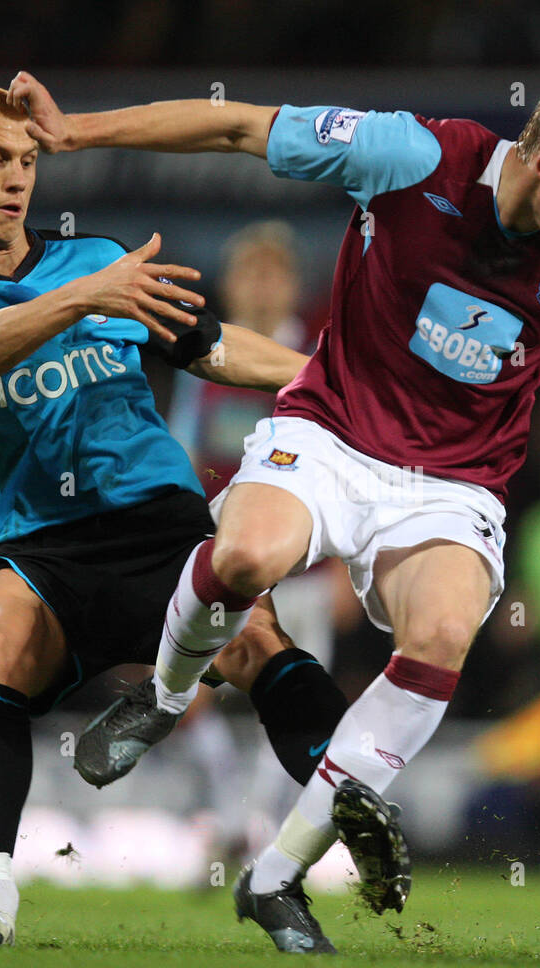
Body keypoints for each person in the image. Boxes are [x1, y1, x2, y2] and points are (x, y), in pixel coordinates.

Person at [9, 69, 540, 953]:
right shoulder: (411, 155)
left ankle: (275, 876)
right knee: (245, 558)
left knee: (440, 631)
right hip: (332, 431)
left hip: (455, 484)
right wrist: (74, 134)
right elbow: (240, 129)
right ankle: (166, 695)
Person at [0, 85, 368, 948]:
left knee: (256, 640)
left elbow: (211, 343)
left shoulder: (98, 260)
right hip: (36, 549)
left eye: (28, 161)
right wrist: (80, 300)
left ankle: (351, 814)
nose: (17, 179)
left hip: (158, 525)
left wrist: (329, 387)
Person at [165, 220, 348, 868]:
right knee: (185, 689)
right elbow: (187, 451)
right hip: (226, 561)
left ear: (293, 286)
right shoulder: (208, 361)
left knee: (289, 700)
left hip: (303, 573)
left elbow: (349, 463)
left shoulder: (323, 359)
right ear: (233, 285)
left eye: (274, 274)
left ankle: (259, 831)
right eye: (251, 274)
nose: (263, 287)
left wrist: (349, 571)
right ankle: (229, 812)